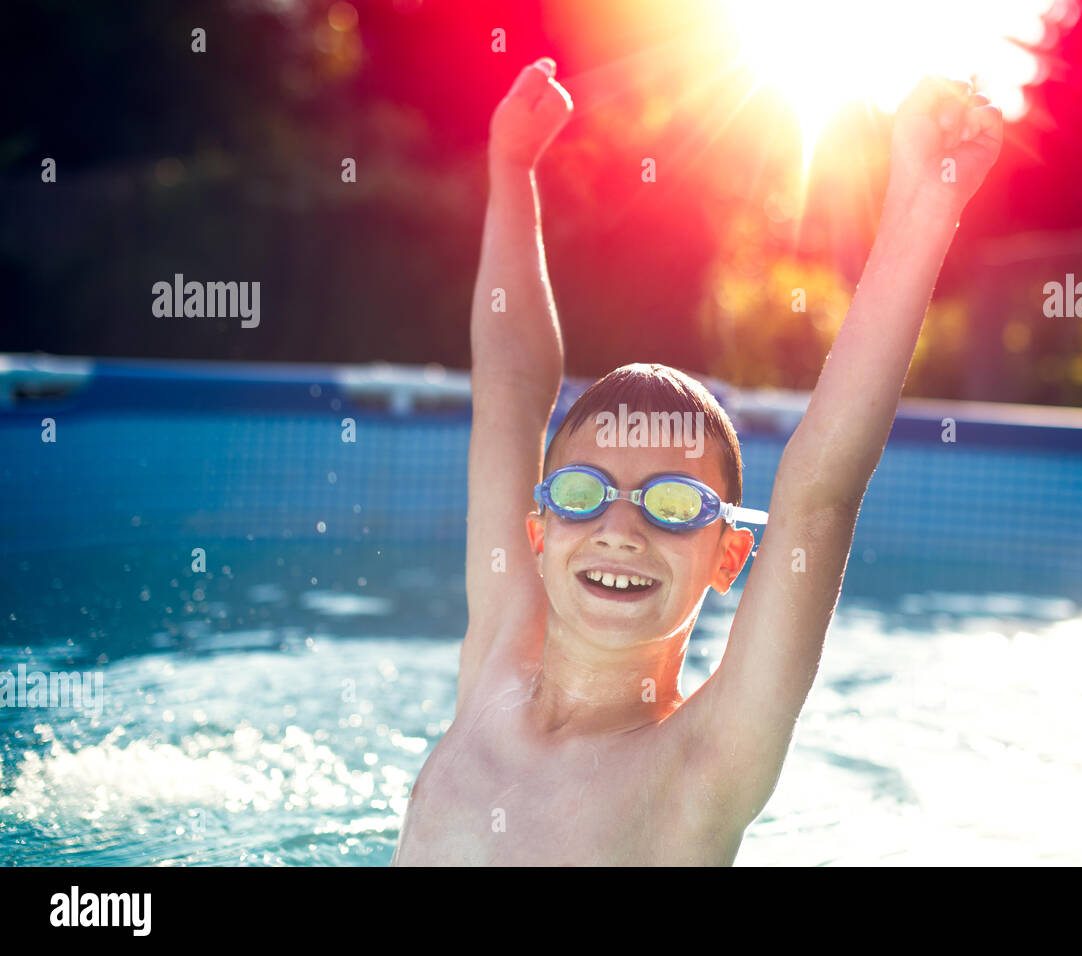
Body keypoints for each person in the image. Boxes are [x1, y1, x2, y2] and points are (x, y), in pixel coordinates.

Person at [393, 55, 1002, 865]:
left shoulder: (700, 766)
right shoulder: (497, 663)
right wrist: (511, 168)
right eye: (582, 493)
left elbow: (820, 496)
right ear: (536, 531)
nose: (618, 526)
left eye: (673, 503)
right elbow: (508, 393)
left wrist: (925, 204)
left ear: (731, 555)